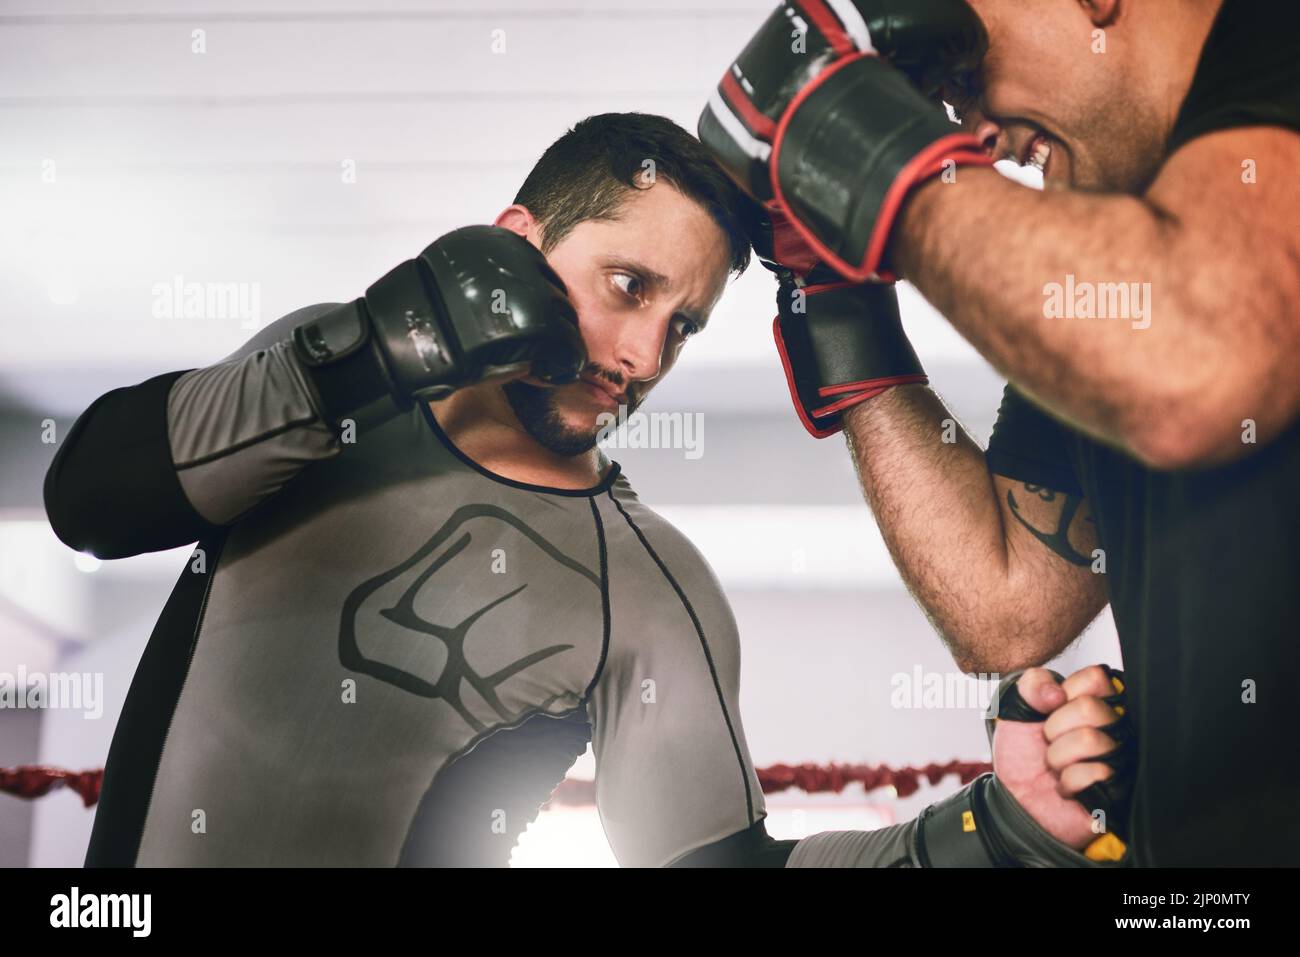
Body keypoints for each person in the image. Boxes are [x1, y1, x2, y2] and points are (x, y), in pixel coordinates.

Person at [46, 112, 1125, 868]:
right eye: (629, 287)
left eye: (683, 325)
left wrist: (990, 831)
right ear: (516, 242)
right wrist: (364, 356)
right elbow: (91, 501)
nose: (645, 354)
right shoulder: (321, 381)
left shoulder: (651, 587)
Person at [700, 0, 1300, 865]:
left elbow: (1198, 362)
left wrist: (856, 145)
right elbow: (1004, 605)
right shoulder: (1116, 276)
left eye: (966, 77)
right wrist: (837, 293)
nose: (972, 134)